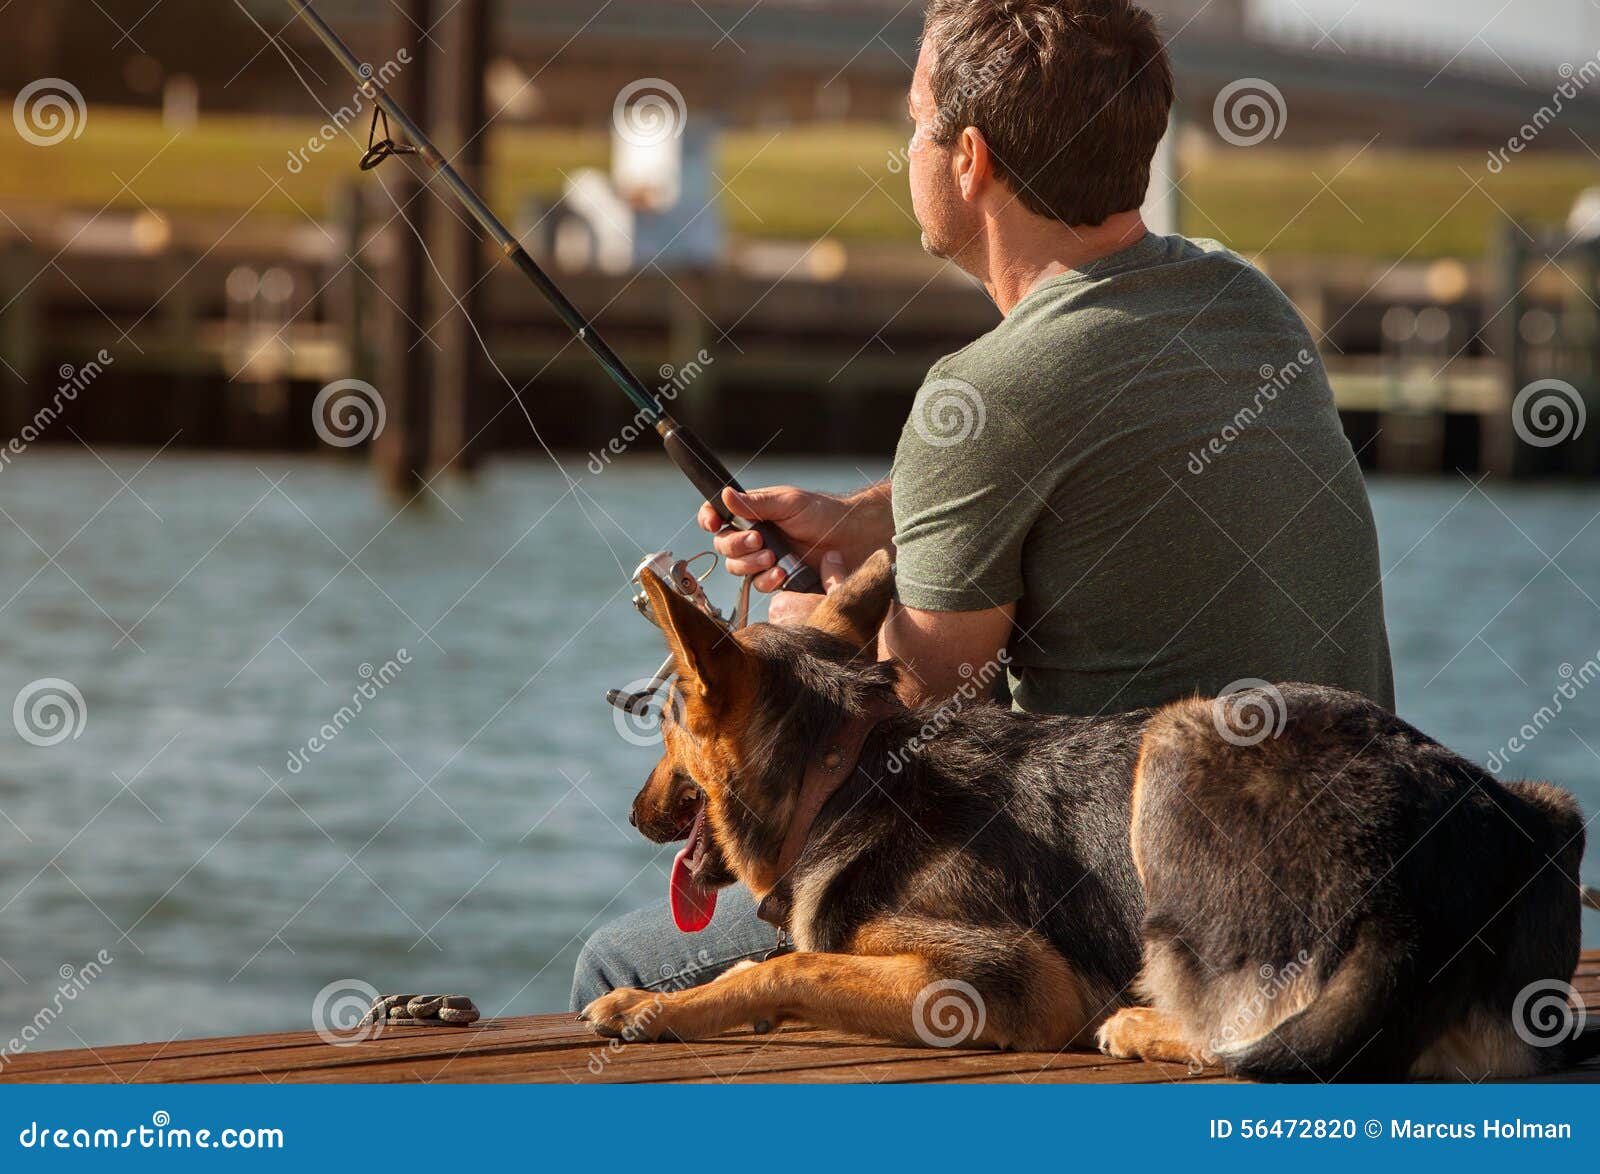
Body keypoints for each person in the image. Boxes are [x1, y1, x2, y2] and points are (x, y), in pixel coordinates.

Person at [571, 0, 1394, 1010]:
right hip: (1361, 868)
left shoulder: (984, 393)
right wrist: (879, 519)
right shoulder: (1246, 303)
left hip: (1158, 923)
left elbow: (901, 744)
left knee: (617, 967)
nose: (906, 151)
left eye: (915, 126)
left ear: (969, 160)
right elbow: (1096, 465)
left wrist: (795, 643)